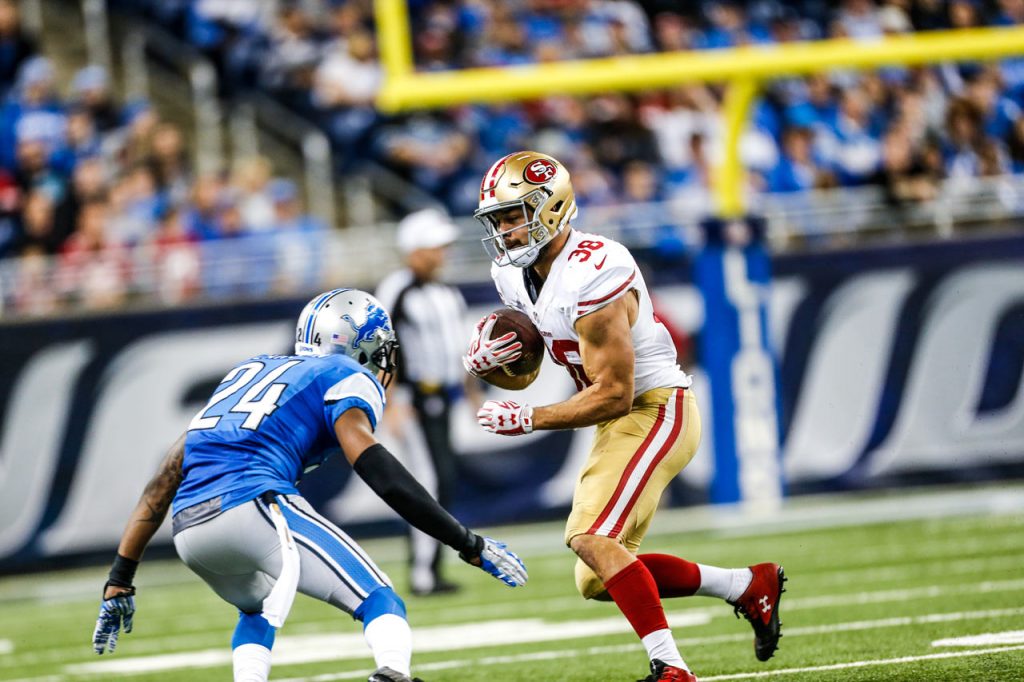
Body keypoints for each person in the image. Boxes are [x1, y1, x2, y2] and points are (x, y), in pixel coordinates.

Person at [91, 288, 527, 682]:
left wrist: (120, 579)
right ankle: (394, 673)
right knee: (379, 599)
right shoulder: (344, 374)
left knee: (257, 608)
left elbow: (162, 482)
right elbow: (381, 472)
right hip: (254, 503)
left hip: (190, 530)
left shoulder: (248, 371)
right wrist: (466, 543)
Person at [463, 151, 785, 682]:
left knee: (590, 536)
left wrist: (530, 418)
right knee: (595, 576)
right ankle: (747, 585)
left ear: (550, 209)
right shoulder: (514, 274)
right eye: (497, 219)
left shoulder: (595, 268)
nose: (505, 230)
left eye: (513, 215)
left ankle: (672, 669)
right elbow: (539, 366)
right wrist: (494, 368)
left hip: (657, 409)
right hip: (623, 418)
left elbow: (613, 393)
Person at [376, 208, 481, 596]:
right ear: (414, 249)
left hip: (444, 398)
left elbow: (459, 349)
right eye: (435, 247)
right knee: (429, 485)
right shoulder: (396, 289)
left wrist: (472, 393)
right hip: (414, 400)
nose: (442, 254)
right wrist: (392, 401)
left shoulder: (447, 293)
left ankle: (431, 568)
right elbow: (380, 347)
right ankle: (422, 573)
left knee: (444, 482)